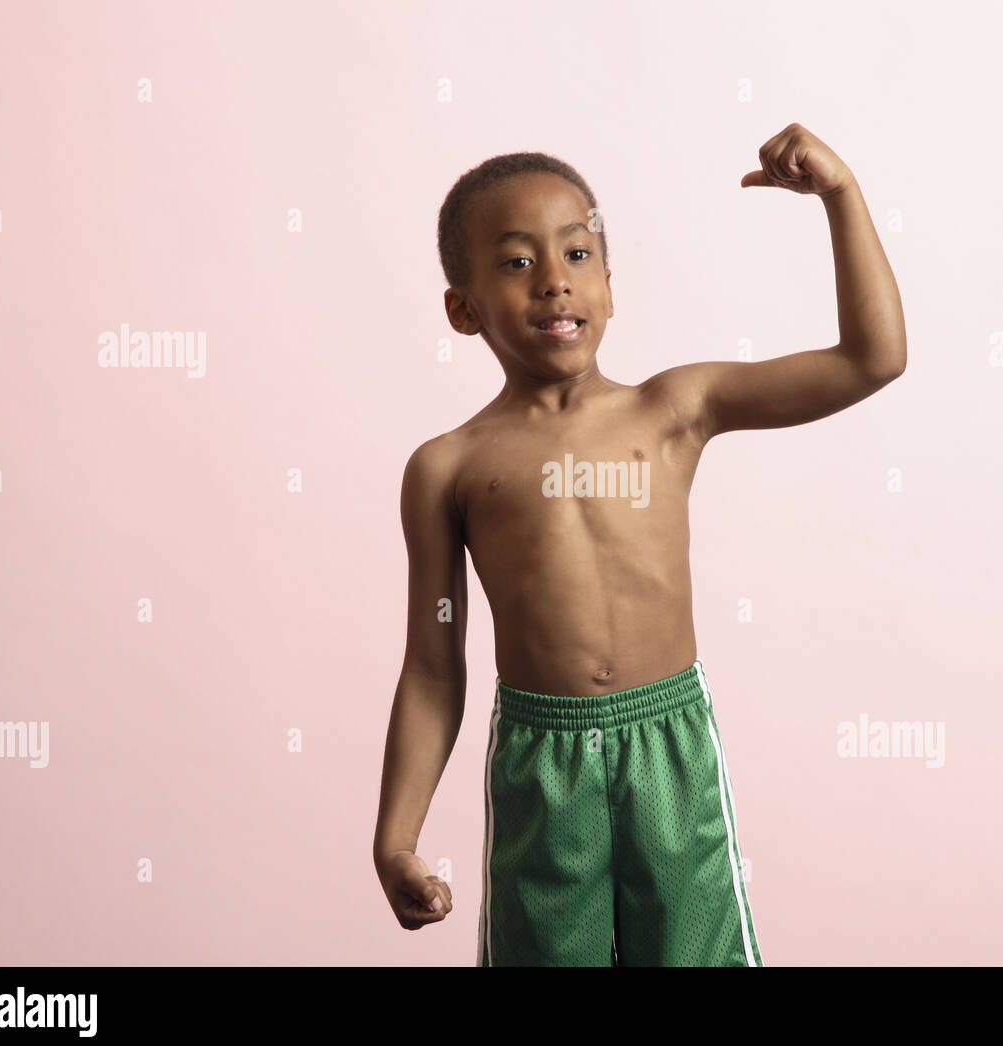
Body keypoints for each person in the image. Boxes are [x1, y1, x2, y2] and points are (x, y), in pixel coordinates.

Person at [373, 122, 906, 965]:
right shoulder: (447, 469)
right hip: (540, 765)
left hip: (668, 747)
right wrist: (397, 838)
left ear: (611, 286)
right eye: (516, 262)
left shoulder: (675, 408)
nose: (554, 282)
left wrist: (840, 195)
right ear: (462, 308)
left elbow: (871, 360)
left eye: (577, 255)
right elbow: (435, 667)